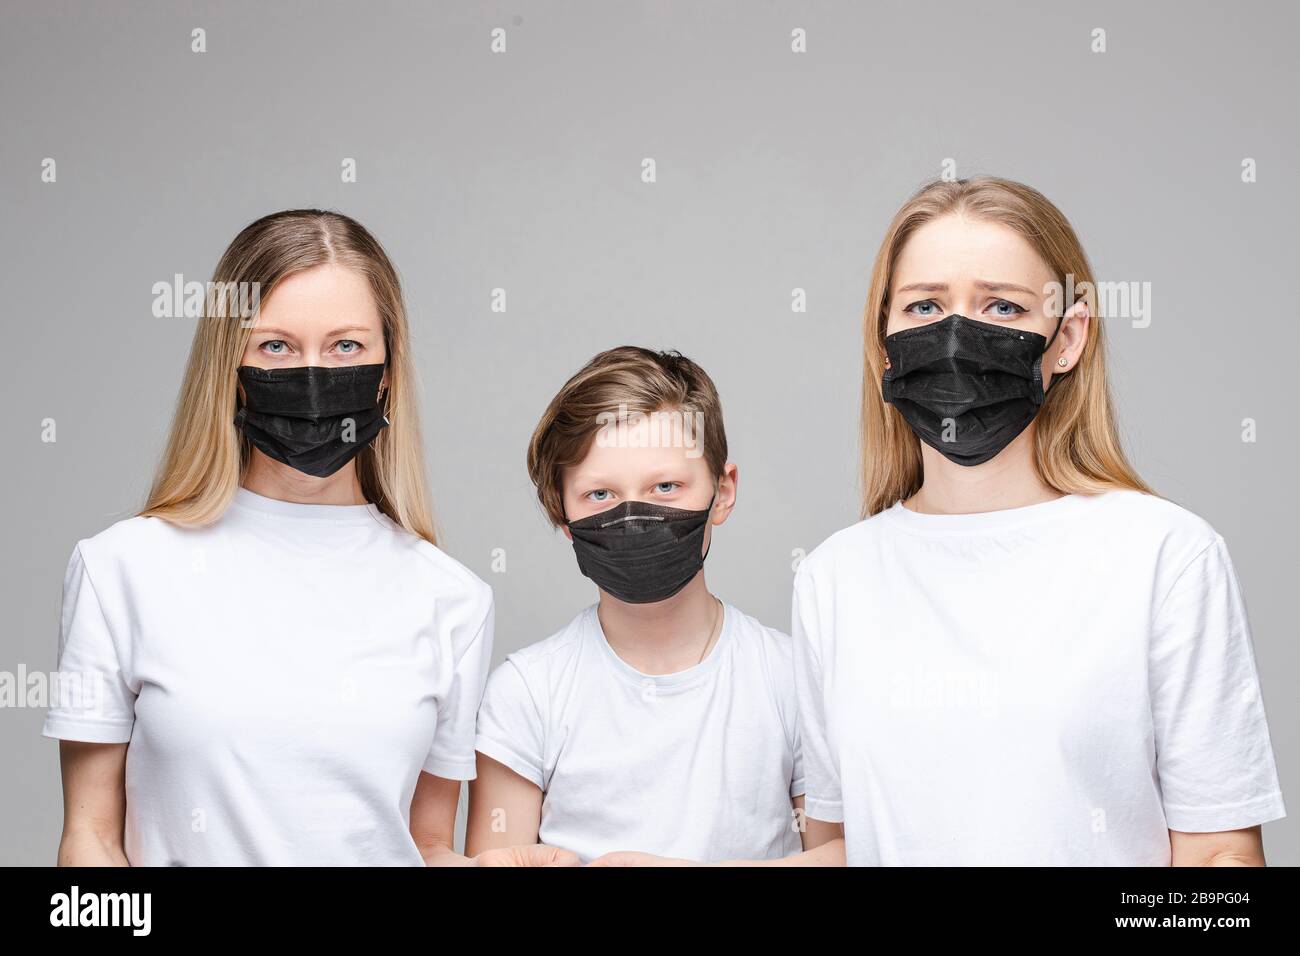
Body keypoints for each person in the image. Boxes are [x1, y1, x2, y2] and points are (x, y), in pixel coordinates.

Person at [43, 209, 571, 866]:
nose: (313, 375)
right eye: (276, 347)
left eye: (345, 346)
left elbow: (426, 845)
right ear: (227, 363)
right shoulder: (120, 570)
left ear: (386, 370)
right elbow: (90, 839)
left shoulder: (452, 599)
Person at [467, 347, 821, 863]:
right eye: (601, 495)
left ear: (722, 492)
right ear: (560, 513)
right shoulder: (527, 692)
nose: (635, 515)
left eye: (666, 486)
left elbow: (840, 852)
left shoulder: (791, 680)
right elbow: (499, 859)